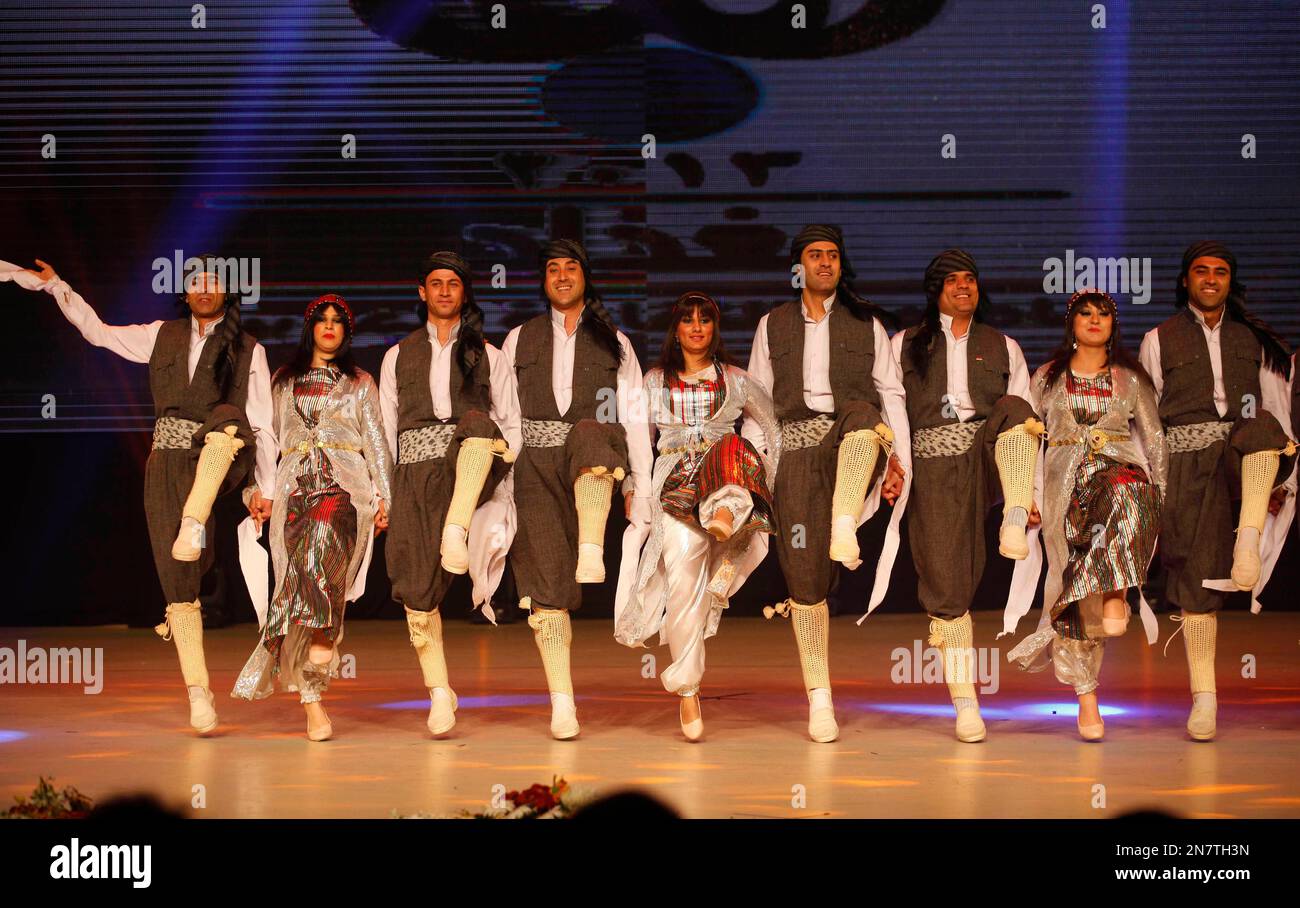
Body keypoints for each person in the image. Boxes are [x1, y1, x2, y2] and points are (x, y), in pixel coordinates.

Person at [2, 254, 276, 734]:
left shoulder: (248, 348)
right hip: (168, 464)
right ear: (185, 291)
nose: (204, 289)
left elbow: (261, 425)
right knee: (179, 581)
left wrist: (262, 486)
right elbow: (101, 333)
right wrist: (55, 287)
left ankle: (195, 519)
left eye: (214, 282)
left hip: (222, 452)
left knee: (226, 418)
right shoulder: (160, 334)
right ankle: (198, 692)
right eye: (196, 282)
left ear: (228, 292)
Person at [742, 224, 911, 743]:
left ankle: (844, 522)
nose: (824, 263)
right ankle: (820, 698)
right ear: (799, 266)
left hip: (851, 444)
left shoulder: (868, 325)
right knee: (807, 583)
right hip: (793, 452)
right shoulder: (773, 325)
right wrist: (753, 469)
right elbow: (758, 405)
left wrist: (899, 461)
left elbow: (892, 396)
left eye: (833, 255)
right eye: (815, 255)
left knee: (862, 412)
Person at [1137, 242, 1295, 741]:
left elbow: (1276, 413)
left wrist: (1278, 479)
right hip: (1187, 462)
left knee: (1263, 424)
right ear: (1185, 280)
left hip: (1245, 452)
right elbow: (1148, 422)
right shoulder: (1158, 339)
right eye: (1201, 271)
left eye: (1220, 272)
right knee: (1199, 580)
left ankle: (1247, 538)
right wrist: (1155, 484)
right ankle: (1204, 698)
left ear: (1231, 280)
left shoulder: (1256, 340)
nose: (1211, 279)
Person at [501, 238, 653, 739]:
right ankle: (562, 702)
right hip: (536, 468)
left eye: (571, 268)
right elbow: (508, 419)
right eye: (552, 269)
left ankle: (592, 547)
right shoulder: (518, 340)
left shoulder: (615, 341)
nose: (562, 276)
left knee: (591, 430)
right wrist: (505, 488)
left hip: (595, 460)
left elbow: (631, 419)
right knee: (547, 590)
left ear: (585, 276)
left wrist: (638, 483)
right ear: (543, 280)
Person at [614, 292, 781, 741]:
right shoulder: (652, 381)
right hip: (673, 486)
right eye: (687, 320)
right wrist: (636, 489)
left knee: (734, 450)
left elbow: (771, 429)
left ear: (715, 327)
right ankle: (688, 690)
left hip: (724, 470)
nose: (696, 327)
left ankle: (726, 509)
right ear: (676, 329)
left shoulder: (738, 380)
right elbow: (634, 438)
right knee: (685, 586)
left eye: (705, 320)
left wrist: (769, 480)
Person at [891, 249, 1041, 742]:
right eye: (953, 280)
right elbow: (891, 412)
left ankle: (1014, 515)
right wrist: (894, 467)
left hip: (988, 457)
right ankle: (965, 701)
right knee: (949, 583)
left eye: (971, 280)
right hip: (931, 464)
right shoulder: (905, 344)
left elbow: (1026, 420)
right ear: (936, 289)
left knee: (1017, 406)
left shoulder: (1003, 346)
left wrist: (1031, 491)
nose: (963, 287)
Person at [230, 294, 393, 742]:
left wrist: (385, 497)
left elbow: (377, 441)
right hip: (292, 489)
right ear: (309, 328)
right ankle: (311, 700)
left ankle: (301, 672)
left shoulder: (360, 382)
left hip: (344, 489)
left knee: (321, 578)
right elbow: (266, 438)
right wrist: (256, 491)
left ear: (347, 331)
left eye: (337, 321)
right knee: (303, 591)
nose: (328, 327)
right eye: (321, 320)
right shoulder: (284, 380)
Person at [1006, 290, 1167, 741]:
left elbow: (1154, 441)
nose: (1095, 321)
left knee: (1130, 491)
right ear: (1071, 323)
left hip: (1115, 468)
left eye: (1103, 315)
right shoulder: (1046, 378)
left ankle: (1116, 588)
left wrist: (1163, 497)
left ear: (1114, 325)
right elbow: (1027, 440)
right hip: (1061, 483)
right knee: (1070, 587)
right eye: (1085, 314)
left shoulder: (1130, 380)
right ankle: (1086, 695)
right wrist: (1028, 494)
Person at [379, 252, 520, 738]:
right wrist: (385, 493)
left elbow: (512, 421)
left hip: (473, 470)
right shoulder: (397, 355)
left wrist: (500, 483)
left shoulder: (490, 353)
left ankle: (457, 529)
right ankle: (440, 692)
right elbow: (384, 429)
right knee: (417, 593)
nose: (443, 291)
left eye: (453, 284)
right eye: (435, 283)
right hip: (415, 475)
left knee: (480, 424)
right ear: (422, 292)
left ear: (465, 292)